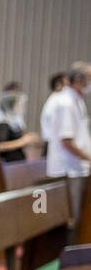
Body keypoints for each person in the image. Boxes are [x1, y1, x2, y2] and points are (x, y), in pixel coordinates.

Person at [40, 62, 91, 229]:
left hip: (77, 167)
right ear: (78, 80)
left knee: (78, 218)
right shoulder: (65, 102)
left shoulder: (76, 101)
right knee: (71, 219)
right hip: (68, 169)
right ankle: (67, 253)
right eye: (89, 79)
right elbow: (66, 140)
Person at [0, 82, 39, 162]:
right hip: (7, 165)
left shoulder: (14, 123)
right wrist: (24, 140)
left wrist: (29, 137)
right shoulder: (3, 124)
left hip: (18, 161)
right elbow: (0, 146)